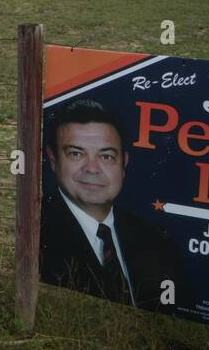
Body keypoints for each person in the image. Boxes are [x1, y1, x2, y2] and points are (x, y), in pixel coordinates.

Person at [41, 98, 176, 313]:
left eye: (106, 156)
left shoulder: (157, 241)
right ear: (53, 159)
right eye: (76, 153)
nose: (92, 168)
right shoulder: (36, 235)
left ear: (124, 163)